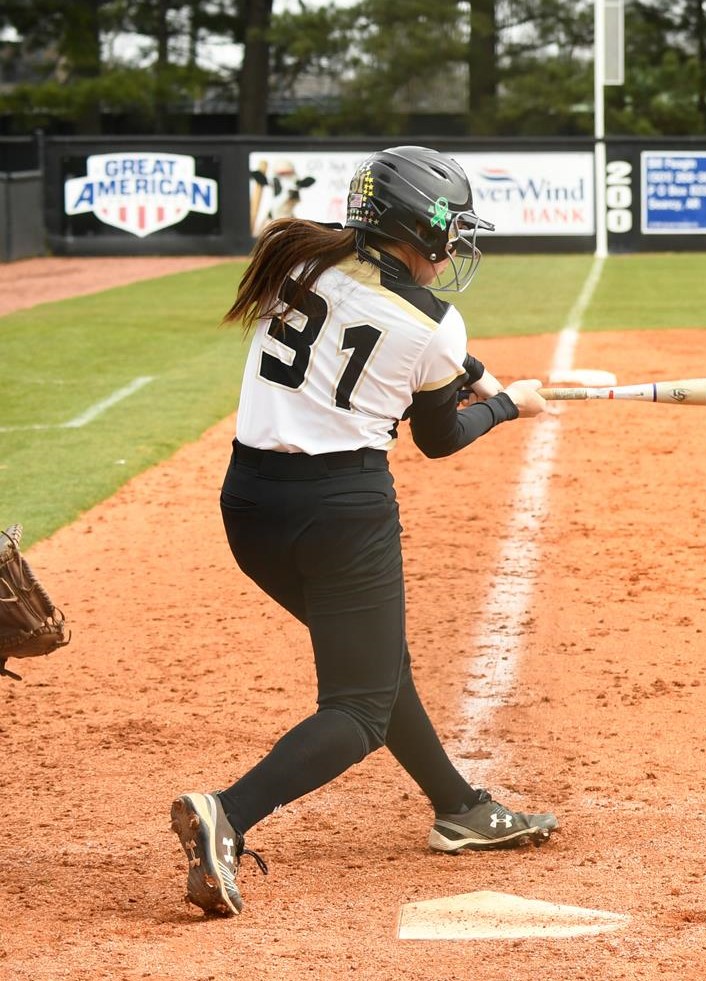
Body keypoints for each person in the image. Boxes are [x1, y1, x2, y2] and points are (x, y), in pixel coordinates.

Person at [171, 146, 558, 918]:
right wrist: (510, 403)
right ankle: (229, 814)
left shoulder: (302, 260)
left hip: (250, 507)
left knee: (375, 664)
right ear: (415, 226)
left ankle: (460, 806)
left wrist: (470, 367)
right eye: (446, 230)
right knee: (359, 705)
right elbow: (440, 438)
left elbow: (382, 320)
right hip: (341, 514)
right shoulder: (434, 325)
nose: (452, 247)